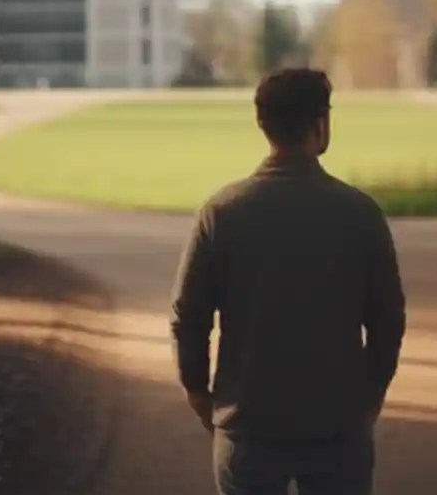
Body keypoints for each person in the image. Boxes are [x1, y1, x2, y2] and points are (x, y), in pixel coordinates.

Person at [170, 68, 406, 495]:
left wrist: (197, 389)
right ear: (321, 123)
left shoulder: (222, 212)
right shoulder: (359, 213)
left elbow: (190, 316)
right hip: (337, 423)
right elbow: (388, 317)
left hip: (247, 421)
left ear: (263, 123)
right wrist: (372, 392)